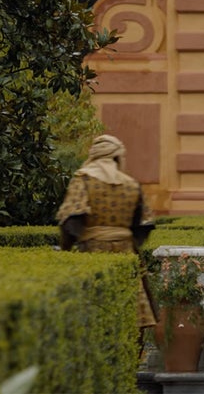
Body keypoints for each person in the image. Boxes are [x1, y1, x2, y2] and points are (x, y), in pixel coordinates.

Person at [56, 134, 157, 347]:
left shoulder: (83, 180)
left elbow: (71, 221)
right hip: (126, 255)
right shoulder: (131, 185)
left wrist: (66, 250)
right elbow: (143, 224)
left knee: (92, 310)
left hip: (91, 254)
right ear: (117, 157)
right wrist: (126, 241)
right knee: (130, 311)